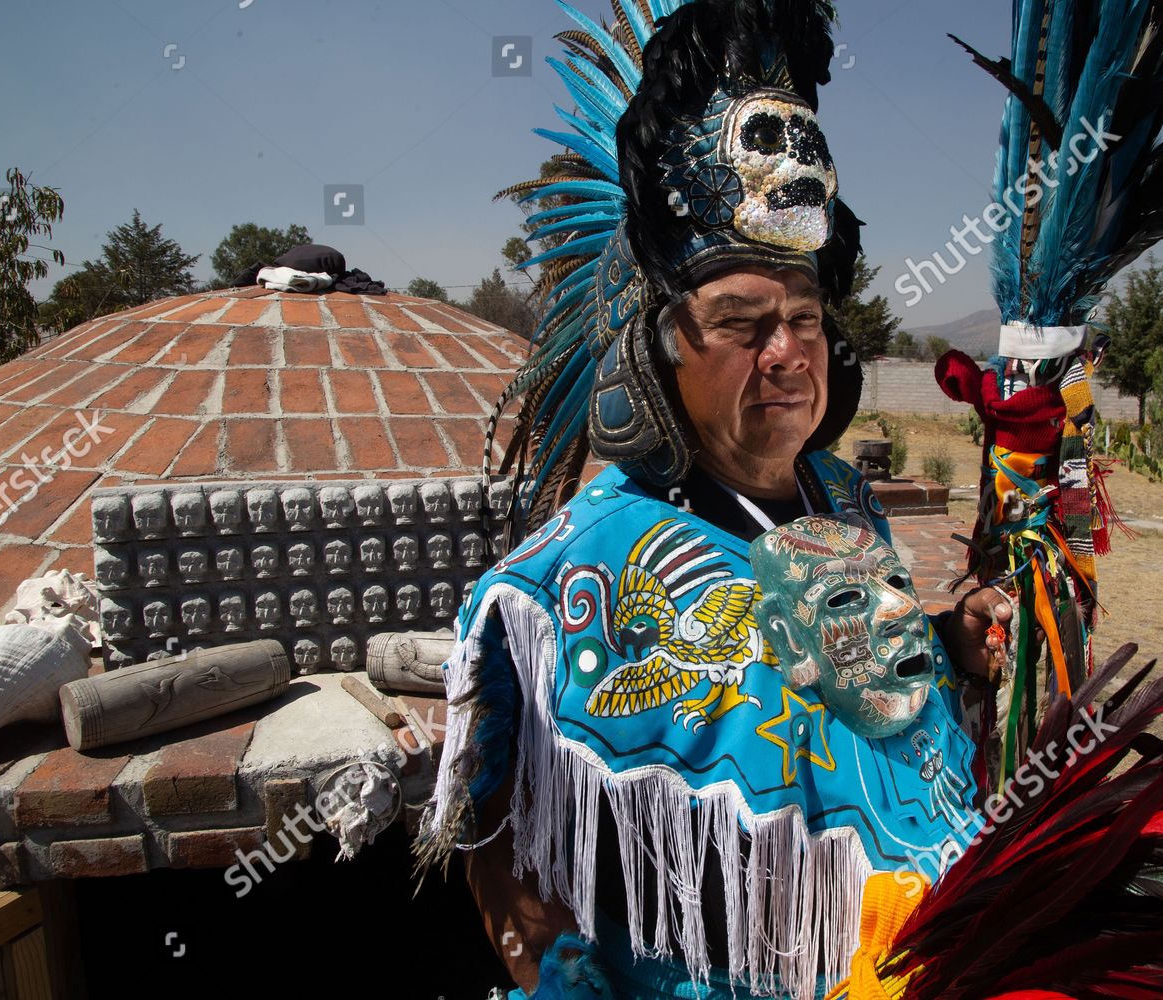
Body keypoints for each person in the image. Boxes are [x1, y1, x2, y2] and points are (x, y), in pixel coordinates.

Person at [415, 2, 1007, 997]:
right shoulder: (569, 576)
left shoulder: (844, 504)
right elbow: (501, 847)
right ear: (660, 350)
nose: (787, 355)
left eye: (807, 320)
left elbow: (857, 683)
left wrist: (948, 641)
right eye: (741, 323)